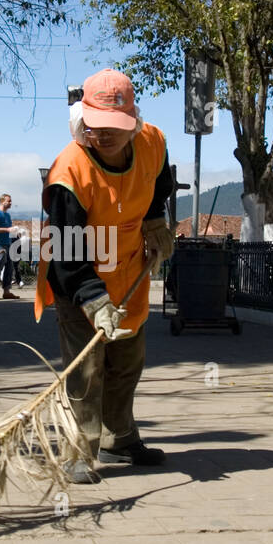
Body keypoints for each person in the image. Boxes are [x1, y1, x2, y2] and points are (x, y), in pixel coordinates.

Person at [34, 68, 174, 482]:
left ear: (134, 123)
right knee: (87, 368)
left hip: (128, 269)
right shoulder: (69, 174)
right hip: (78, 276)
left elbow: (158, 183)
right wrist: (94, 300)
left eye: (116, 127)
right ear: (82, 121)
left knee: (127, 362)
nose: (106, 136)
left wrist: (154, 223)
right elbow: (67, 252)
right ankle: (78, 450)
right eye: (96, 128)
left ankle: (120, 438)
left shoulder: (152, 143)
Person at [0, 193, 19, 299]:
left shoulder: (7, 215)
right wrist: (7, 230)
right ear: (3, 202)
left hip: (7, 243)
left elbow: (9, 229)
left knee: (9, 267)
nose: (11, 203)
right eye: (9, 201)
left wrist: (15, 232)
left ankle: (6, 291)